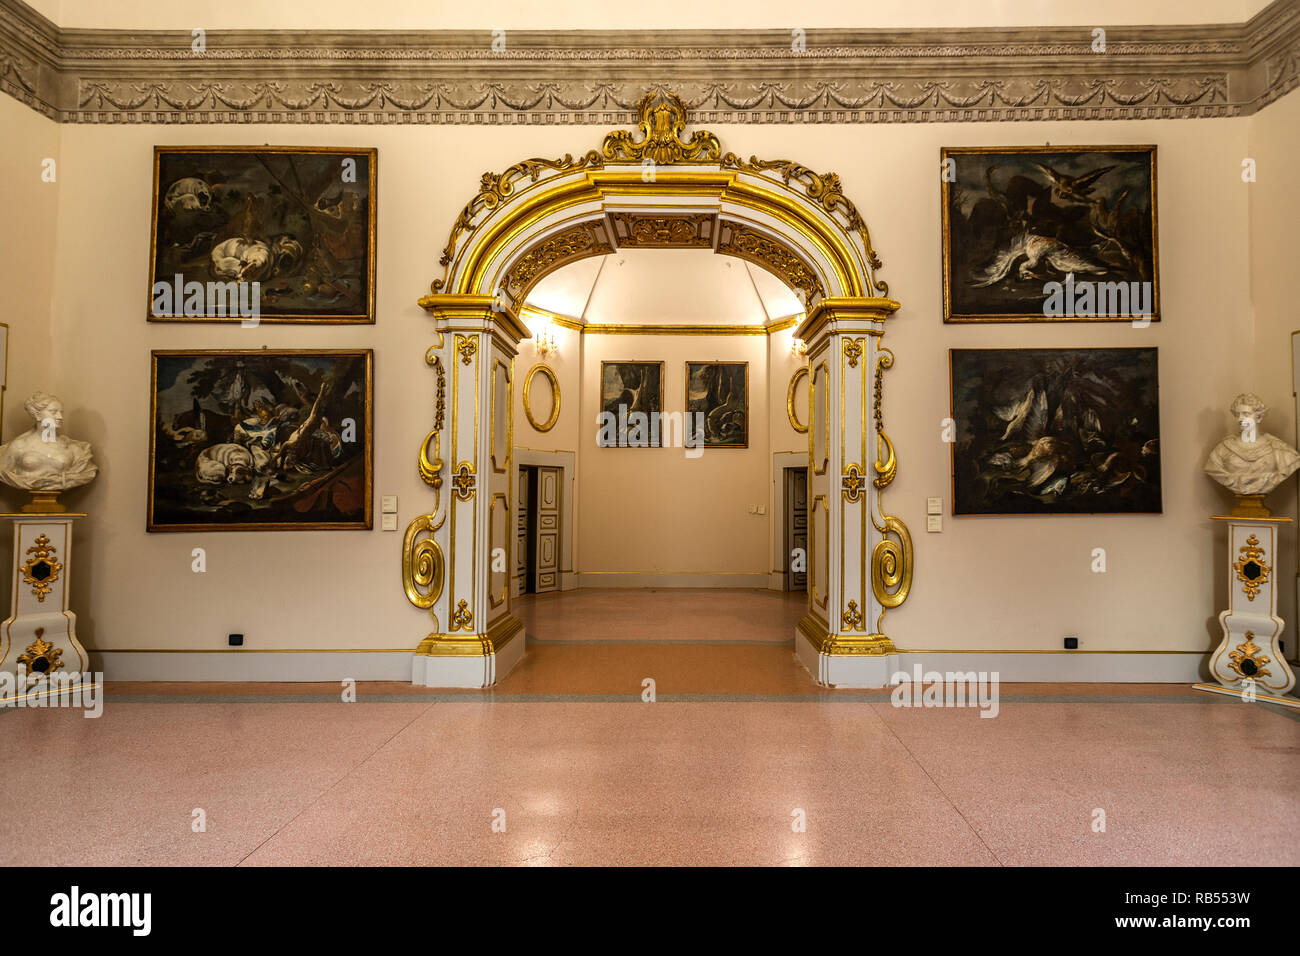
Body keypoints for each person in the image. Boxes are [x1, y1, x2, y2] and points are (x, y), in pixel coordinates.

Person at [1203, 393, 1300, 496]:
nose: (1240, 419)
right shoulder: (1223, 449)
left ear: (1259, 417)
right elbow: (1213, 468)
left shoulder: (1279, 449)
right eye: (1237, 415)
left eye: (1246, 414)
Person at [0, 391, 98, 491]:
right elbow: (3, 469)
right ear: (37, 415)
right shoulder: (19, 445)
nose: (60, 417)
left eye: (61, 412)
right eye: (53, 412)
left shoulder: (72, 448)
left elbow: (87, 473)